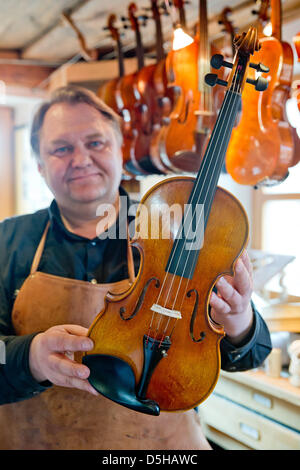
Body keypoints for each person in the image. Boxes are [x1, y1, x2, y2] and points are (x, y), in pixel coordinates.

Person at [0, 85, 272, 450]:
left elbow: (249, 356)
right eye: (61, 148)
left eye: (95, 143)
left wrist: (239, 321)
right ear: (39, 165)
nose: (80, 159)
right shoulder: (8, 239)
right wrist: (28, 357)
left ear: (120, 151)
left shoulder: (175, 229)